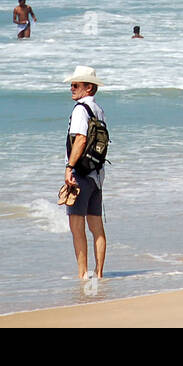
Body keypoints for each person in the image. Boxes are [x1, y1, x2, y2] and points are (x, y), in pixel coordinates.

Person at [62, 66, 108, 279]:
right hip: (96, 174)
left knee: (77, 227)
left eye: (76, 85)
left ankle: (82, 274)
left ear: (89, 88)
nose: (72, 88)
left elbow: (80, 139)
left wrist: (69, 168)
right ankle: (98, 274)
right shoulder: (98, 110)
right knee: (96, 226)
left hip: (80, 173)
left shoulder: (81, 109)